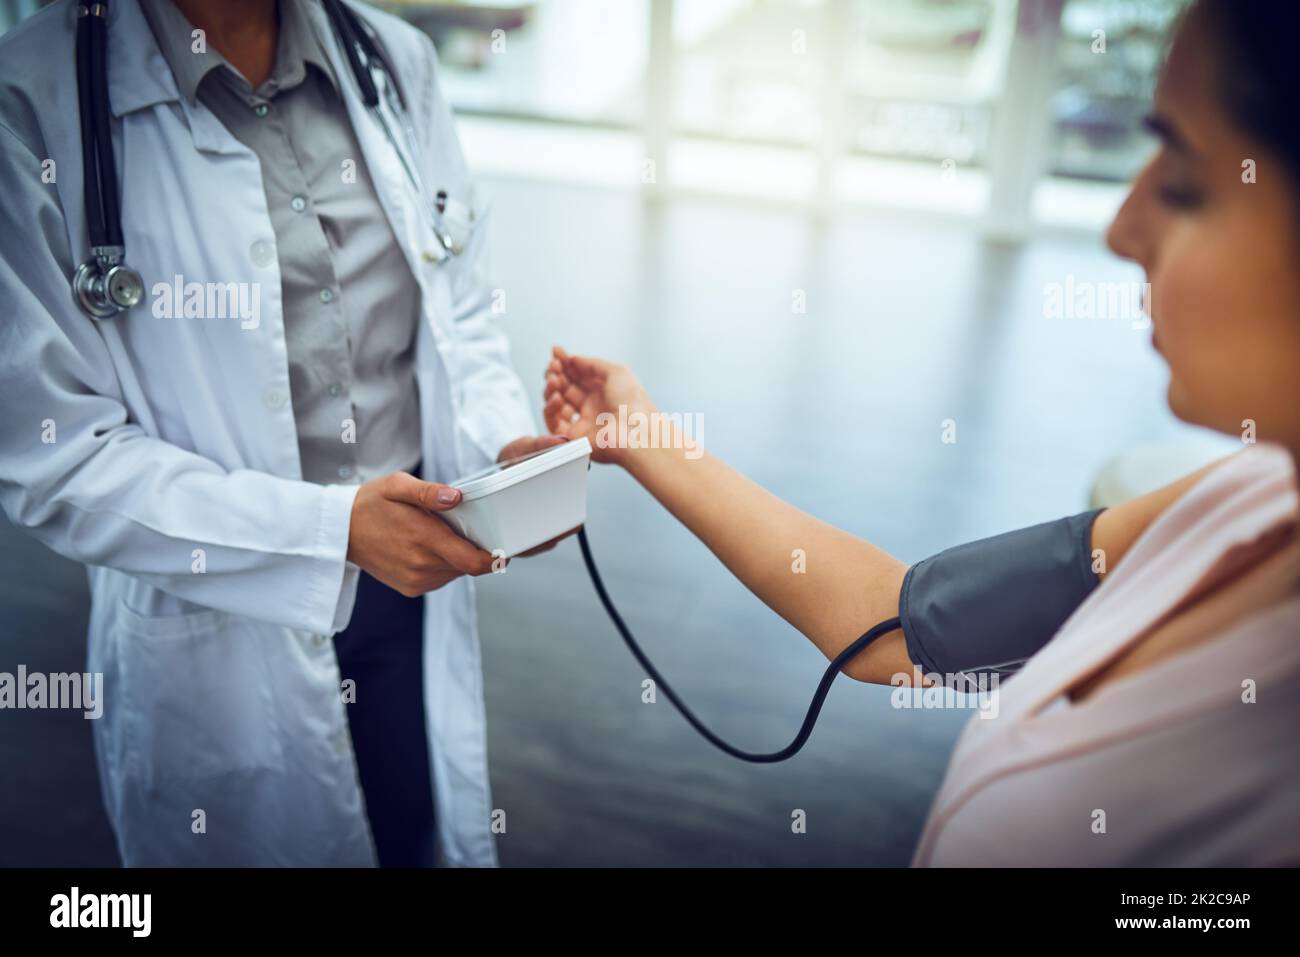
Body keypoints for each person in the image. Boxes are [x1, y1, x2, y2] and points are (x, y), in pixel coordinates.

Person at [544, 0, 1300, 865]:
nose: (1121, 229)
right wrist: (642, 434)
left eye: (1184, 184)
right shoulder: (1236, 503)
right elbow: (894, 625)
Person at [0, 0, 567, 867]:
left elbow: (460, 306)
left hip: (416, 578)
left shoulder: (391, 58)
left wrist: (500, 451)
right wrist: (328, 533)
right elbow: (54, 455)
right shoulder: (29, 99)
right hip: (217, 598)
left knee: (417, 831)